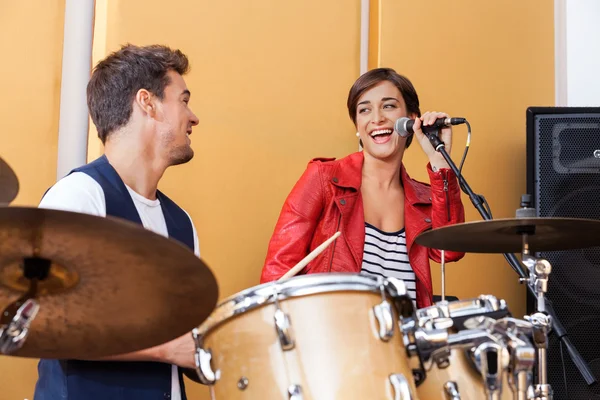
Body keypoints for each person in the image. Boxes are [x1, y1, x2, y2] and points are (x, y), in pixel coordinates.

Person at [34, 44, 200, 400]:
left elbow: (186, 343)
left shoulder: (181, 223)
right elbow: (47, 322)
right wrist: (166, 349)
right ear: (147, 102)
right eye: (183, 100)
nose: (193, 116)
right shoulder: (78, 196)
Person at [260, 68, 465, 308]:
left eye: (388, 106)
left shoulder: (423, 198)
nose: (376, 118)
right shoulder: (324, 179)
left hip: (402, 339)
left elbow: (450, 251)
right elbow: (277, 272)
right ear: (357, 125)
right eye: (364, 110)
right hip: (333, 334)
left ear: (411, 119)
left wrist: (440, 163)